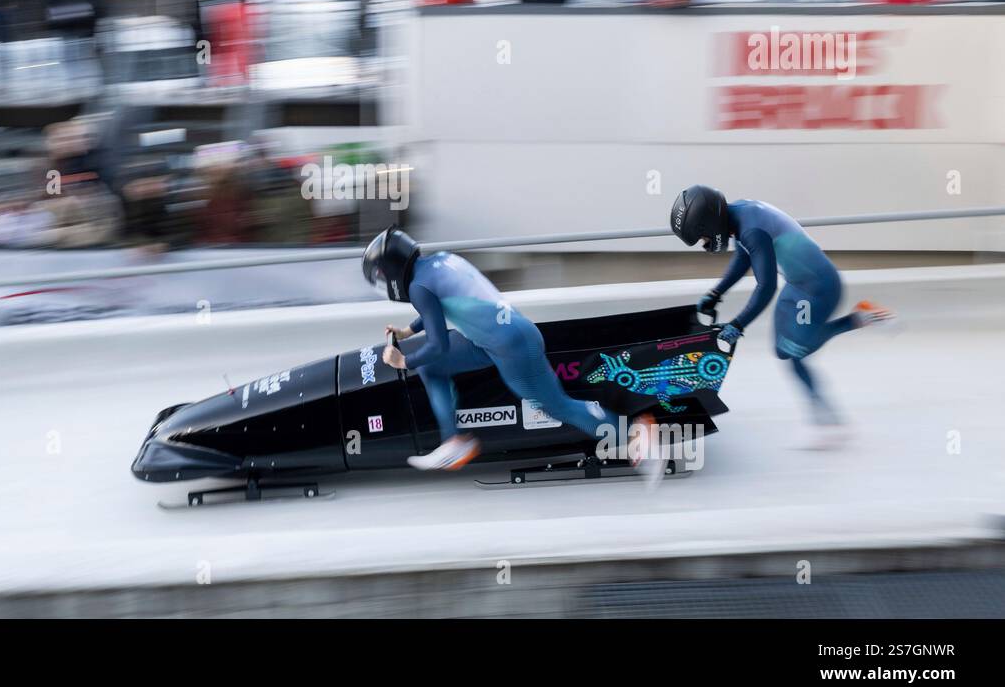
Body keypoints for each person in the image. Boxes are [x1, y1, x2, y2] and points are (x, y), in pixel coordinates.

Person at [363, 228, 663, 480]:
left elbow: (437, 344)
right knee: (433, 368)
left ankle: (635, 433)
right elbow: (437, 310)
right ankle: (454, 440)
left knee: (559, 407)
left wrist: (404, 360)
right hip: (501, 337)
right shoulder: (441, 261)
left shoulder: (418, 288)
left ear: (390, 272)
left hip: (510, 348)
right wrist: (408, 332)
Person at [669, 186, 894, 447]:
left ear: (709, 223)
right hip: (799, 284)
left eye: (702, 238)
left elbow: (765, 287)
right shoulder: (740, 215)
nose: (705, 244)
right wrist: (716, 293)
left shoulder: (751, 230)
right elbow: (744, 259)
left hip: (817, 289)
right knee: (783, 350)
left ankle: (829, 423)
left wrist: (738, 324)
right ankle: (861, 317)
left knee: (797, 352)